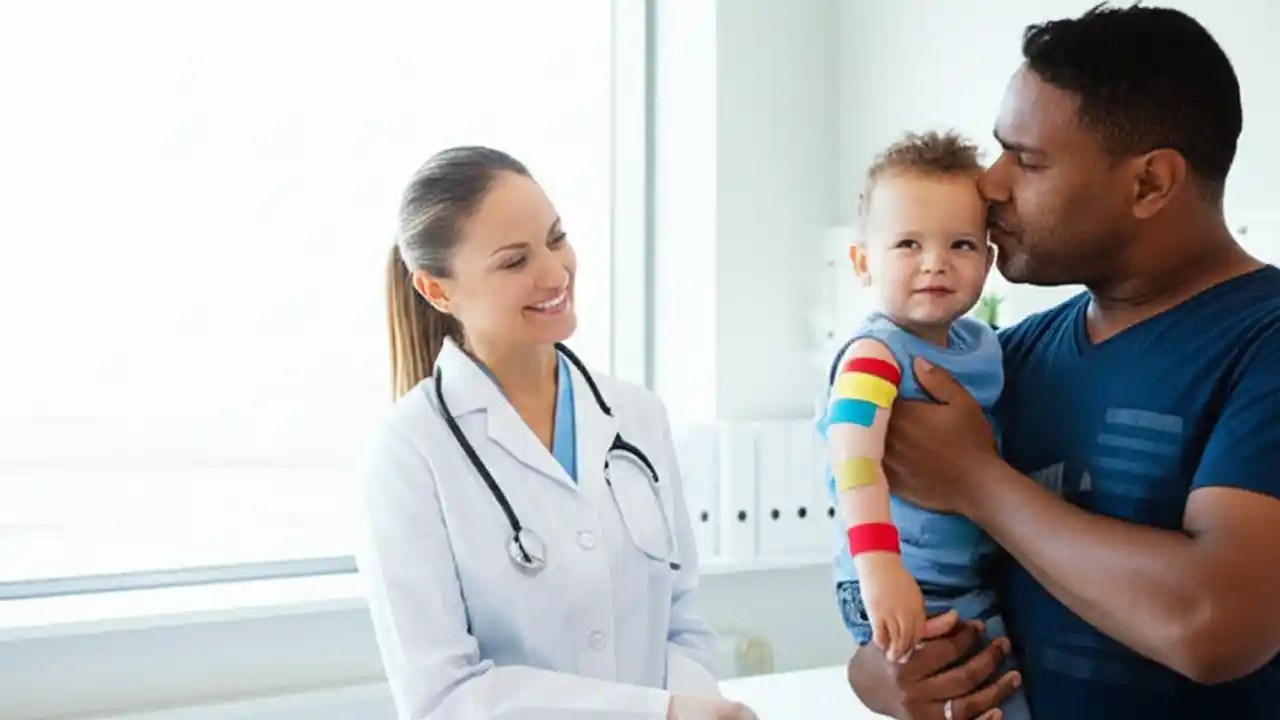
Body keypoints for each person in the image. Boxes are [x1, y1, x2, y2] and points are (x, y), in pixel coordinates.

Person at [845, 6, 1280, 720]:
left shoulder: (1262, 343)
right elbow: (915, 560)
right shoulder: (1002, 359)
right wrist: (879, 669)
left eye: (1029, 160)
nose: (989, 185)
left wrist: (979, 482)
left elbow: (1216, 625)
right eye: (998, 151)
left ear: (1149, 184)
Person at [357, 146, 757, 720]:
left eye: (556, 238)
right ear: (437, 291)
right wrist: (658, 714)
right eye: (515, 261)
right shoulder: (409, 450)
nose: (555, 272)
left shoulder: (636, 415)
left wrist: (693, 708)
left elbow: (682, 622)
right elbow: (441, 697)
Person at [819, 131, 1029, 720]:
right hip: (900, 579)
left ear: (987, 262)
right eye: (908, 243)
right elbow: (853, 461)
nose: (935, 261)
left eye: (961, 244)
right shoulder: (872, 355)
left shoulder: (982, 346)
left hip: (966, 579)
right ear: (863, 262)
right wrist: (879, 567)